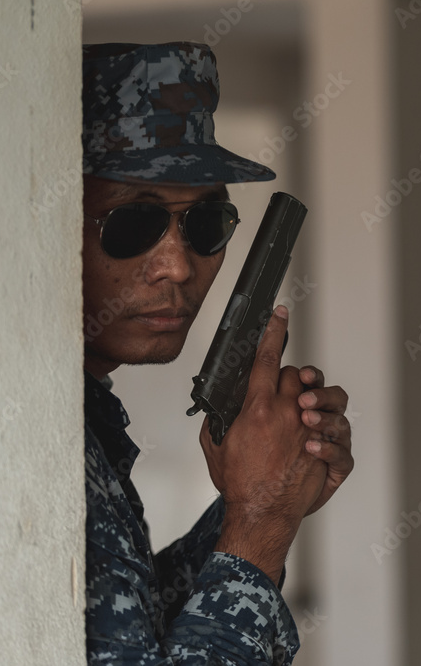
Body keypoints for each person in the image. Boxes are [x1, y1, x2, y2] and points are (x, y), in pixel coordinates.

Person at [80, 42, 354, 665]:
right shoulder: (26, 436)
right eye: (131, 224)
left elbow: (129, 630)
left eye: (205, 224)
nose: (178, 265)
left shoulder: (80, 413)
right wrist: (261, 523)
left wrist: (264, 492)